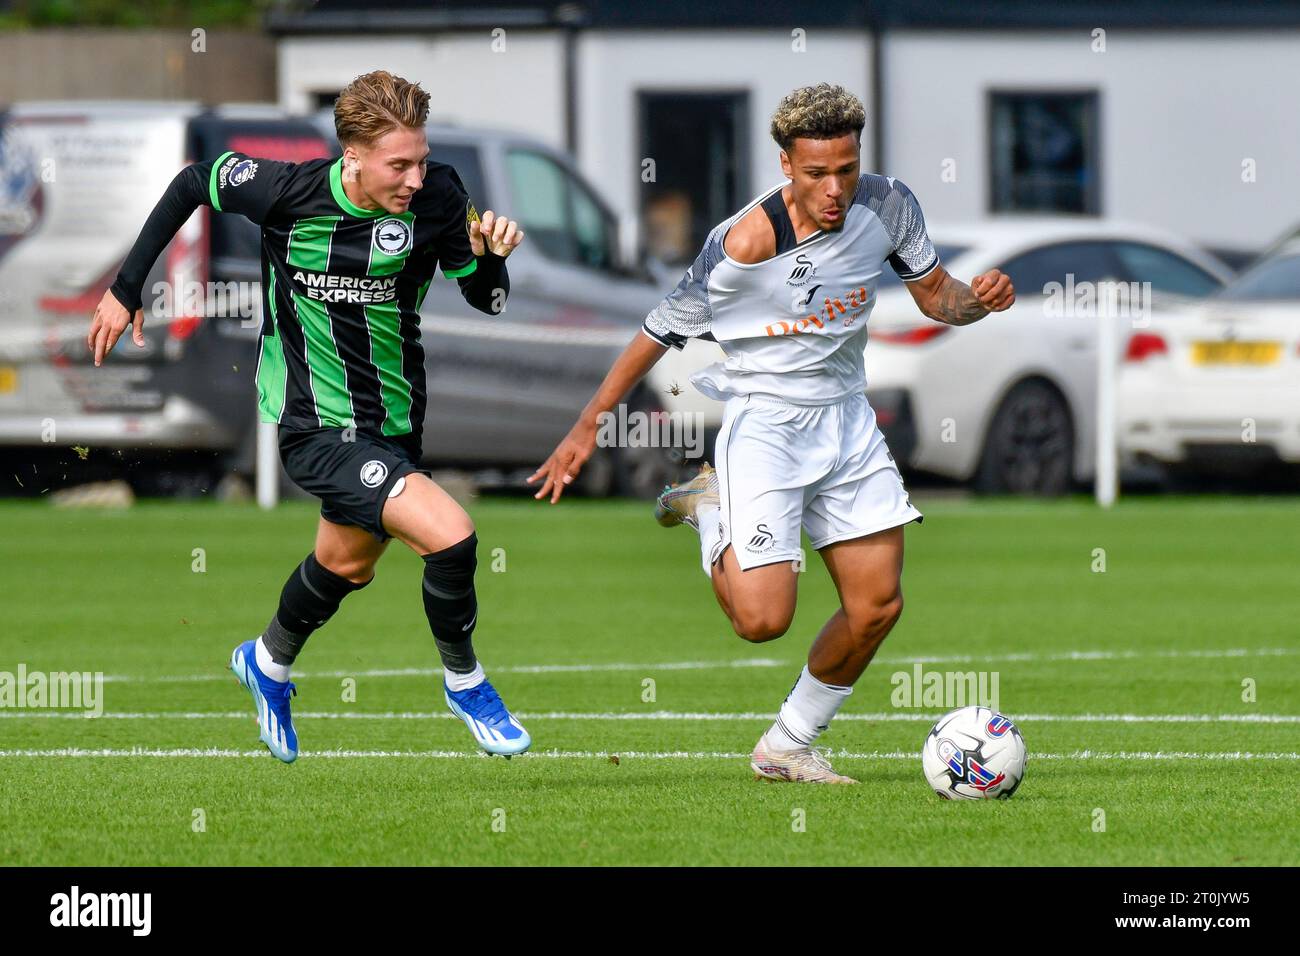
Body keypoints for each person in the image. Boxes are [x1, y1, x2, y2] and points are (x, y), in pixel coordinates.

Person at [529, 83, 1014, 783]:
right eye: (817, 173)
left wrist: (978, 301)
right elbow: (656, 332)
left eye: (846, 169)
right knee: (761, 622)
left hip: (848, 421)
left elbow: (937, 296)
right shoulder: (742, 242)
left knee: (876, 604)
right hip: (766, 427)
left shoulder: (890, 205)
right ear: (785, 163)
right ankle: (709, 507)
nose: (835, 188)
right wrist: (586, 428)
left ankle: (787, 744)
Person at [87, 70, 531, 762]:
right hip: (313, 427)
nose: (415, 177)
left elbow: (486, 300)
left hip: (393, 424)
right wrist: (125, 287)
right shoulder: (286, 192)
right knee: (451, 538)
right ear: (352, 155)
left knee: (345, 565)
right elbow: (193, 182)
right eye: (399, 164)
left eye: (420, 158)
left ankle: (267, 661)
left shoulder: (439, 195)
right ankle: (465, 681)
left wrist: (488, 259)